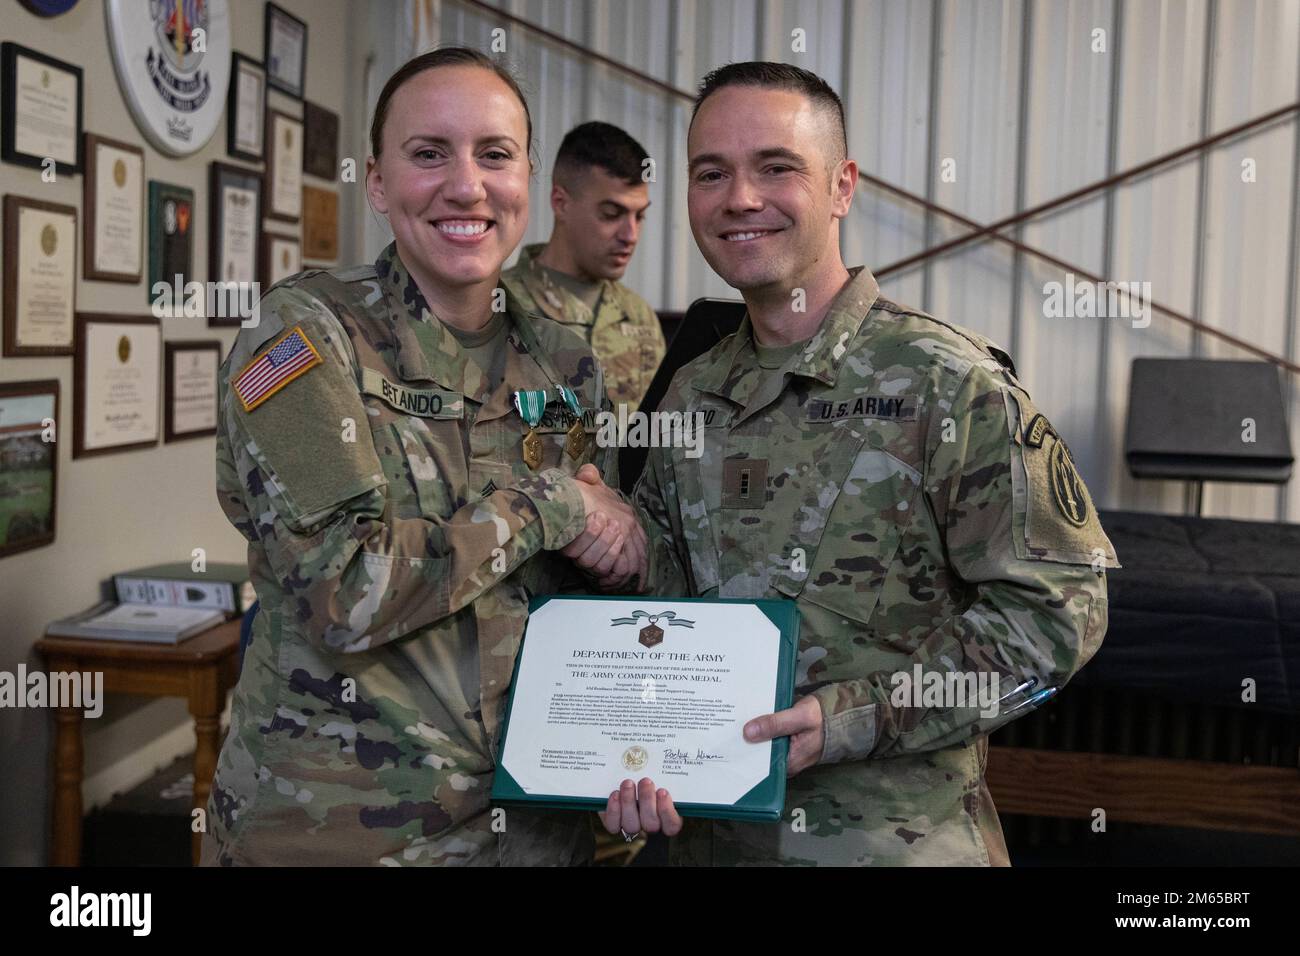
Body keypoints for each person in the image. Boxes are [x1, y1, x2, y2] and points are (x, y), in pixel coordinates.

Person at [583, 62, 1118, 864]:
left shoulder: (947, 383)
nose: (740, 198)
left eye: (776, 167)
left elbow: (1060, 614)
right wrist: (619, 549)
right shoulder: (692, 391)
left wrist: (856, 717)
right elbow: (674, 596)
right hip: (711, 842)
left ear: (842, 187)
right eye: (711, 173)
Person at [202, 48, 644, 866]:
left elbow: (589, 582)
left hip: (534, 834)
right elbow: (345, 589)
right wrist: (552, 506)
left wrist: (626, 559)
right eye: (429, 153)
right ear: (377, 181)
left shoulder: (564, 362)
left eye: (494, 154)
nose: (467, 186)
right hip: (340, 833)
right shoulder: (299, 340)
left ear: (527, 181)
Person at [501, 121, 666, 414]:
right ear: (561, 203)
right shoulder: (499, 308)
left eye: (639, 216)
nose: (630, 235)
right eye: (611, 214)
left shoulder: (639, 318)